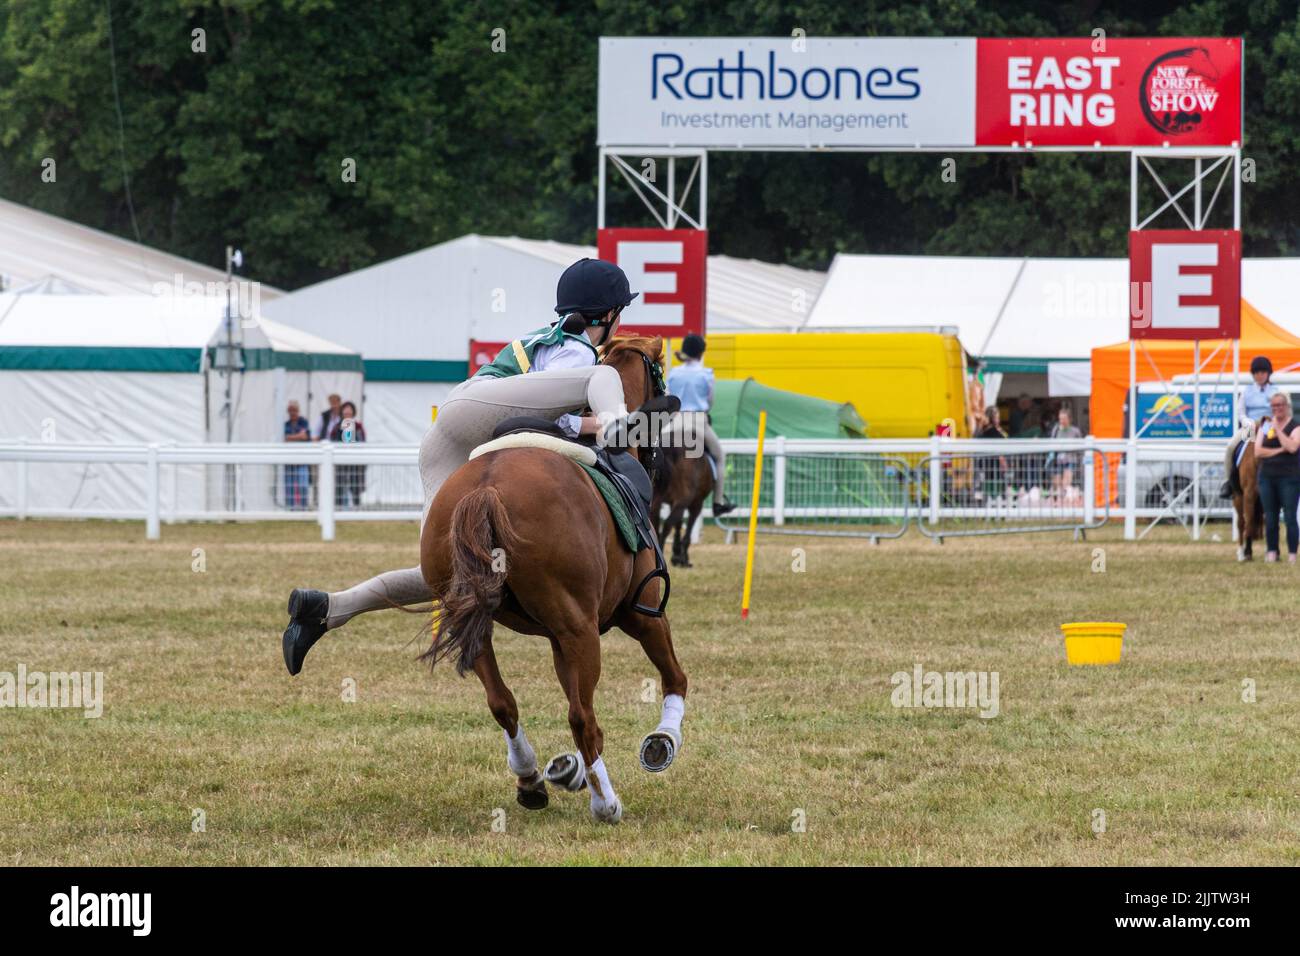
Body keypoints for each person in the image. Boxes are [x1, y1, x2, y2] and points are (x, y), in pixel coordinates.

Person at [279, 257, 678, 675]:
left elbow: (546, 416)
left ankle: (327, 608)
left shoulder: (555, 337)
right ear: (612, 313)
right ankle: (620, 425)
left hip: (444, 439)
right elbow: (555, 419)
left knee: (443, 571)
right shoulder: (577, 348)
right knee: (604, 379)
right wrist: (613, 428)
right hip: (473, 412)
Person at [665, 334, 734, 516]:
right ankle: (718, 503)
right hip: (697, 423)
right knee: (720, 457)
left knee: (654, 452)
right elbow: (709, 402)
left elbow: (668, 397)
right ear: (701, 353)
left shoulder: (674, 373)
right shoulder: (706, 374)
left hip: (674, 422)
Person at [1221, 356, 1280, 498]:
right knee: (1230, 447)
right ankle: (1229, 481)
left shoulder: (1276, 391)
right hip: (1250, 426)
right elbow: (1240, 411)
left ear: (1268, 373)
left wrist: (1273, 423)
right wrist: (1247, 421)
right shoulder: (1246, 391)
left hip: (1269, 427)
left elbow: (1280, 411)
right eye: (1256, 373)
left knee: (1286, 447)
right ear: (1253, 374)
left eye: (1262, 372)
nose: (1259, 376)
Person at [1252, 391, 1300, 563]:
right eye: (1273, 406)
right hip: (1267, 477)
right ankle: (1272, 551)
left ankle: (1292, 553)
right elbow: (1258, 451)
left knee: (1289, 517)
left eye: (1279, 405)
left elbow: (1293, 447)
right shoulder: (1265, 426)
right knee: (1270, 517)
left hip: (1289, 478)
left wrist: (1278, 430)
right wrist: (1279, 450)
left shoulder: (1295, 426)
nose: (1276, 409)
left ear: (1286, 407)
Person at [328, 401, 367, 509]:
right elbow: (333, 441)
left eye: (349, 412)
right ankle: (338, 507)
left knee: (355, 485)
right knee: (339, 485)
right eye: (345, 412)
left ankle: (356, 507)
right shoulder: (337, 427)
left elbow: (362, 442)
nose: (347, 414)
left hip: (355, 461)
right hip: (340, 461)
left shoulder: (358, 426)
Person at [283, 401, 311, 510]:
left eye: (294, 410)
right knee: (289, 487)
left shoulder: (304, 422)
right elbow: (285, 438)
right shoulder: (286, 424)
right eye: (290, 410)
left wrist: (290, 437)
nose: (292, 413)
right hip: (289, 460)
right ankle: (291, 509)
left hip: (302, 459)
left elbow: (306, 437)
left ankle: (304, 508)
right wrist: (299, 436)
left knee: (303, 486)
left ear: (298, 411)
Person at [1049, 406, 1083, 496]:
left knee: (1066, 484)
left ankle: (1065, 500)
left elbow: (1081, 445)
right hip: (1058, 460)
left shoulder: (1075, 431)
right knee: (1057, 484)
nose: (1062, 421)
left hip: (1070, 459)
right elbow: (1051, 442)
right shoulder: (1056, 429)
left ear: (1069, 419)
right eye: (1060, 419)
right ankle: (1059, 501)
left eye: (1064, 419)